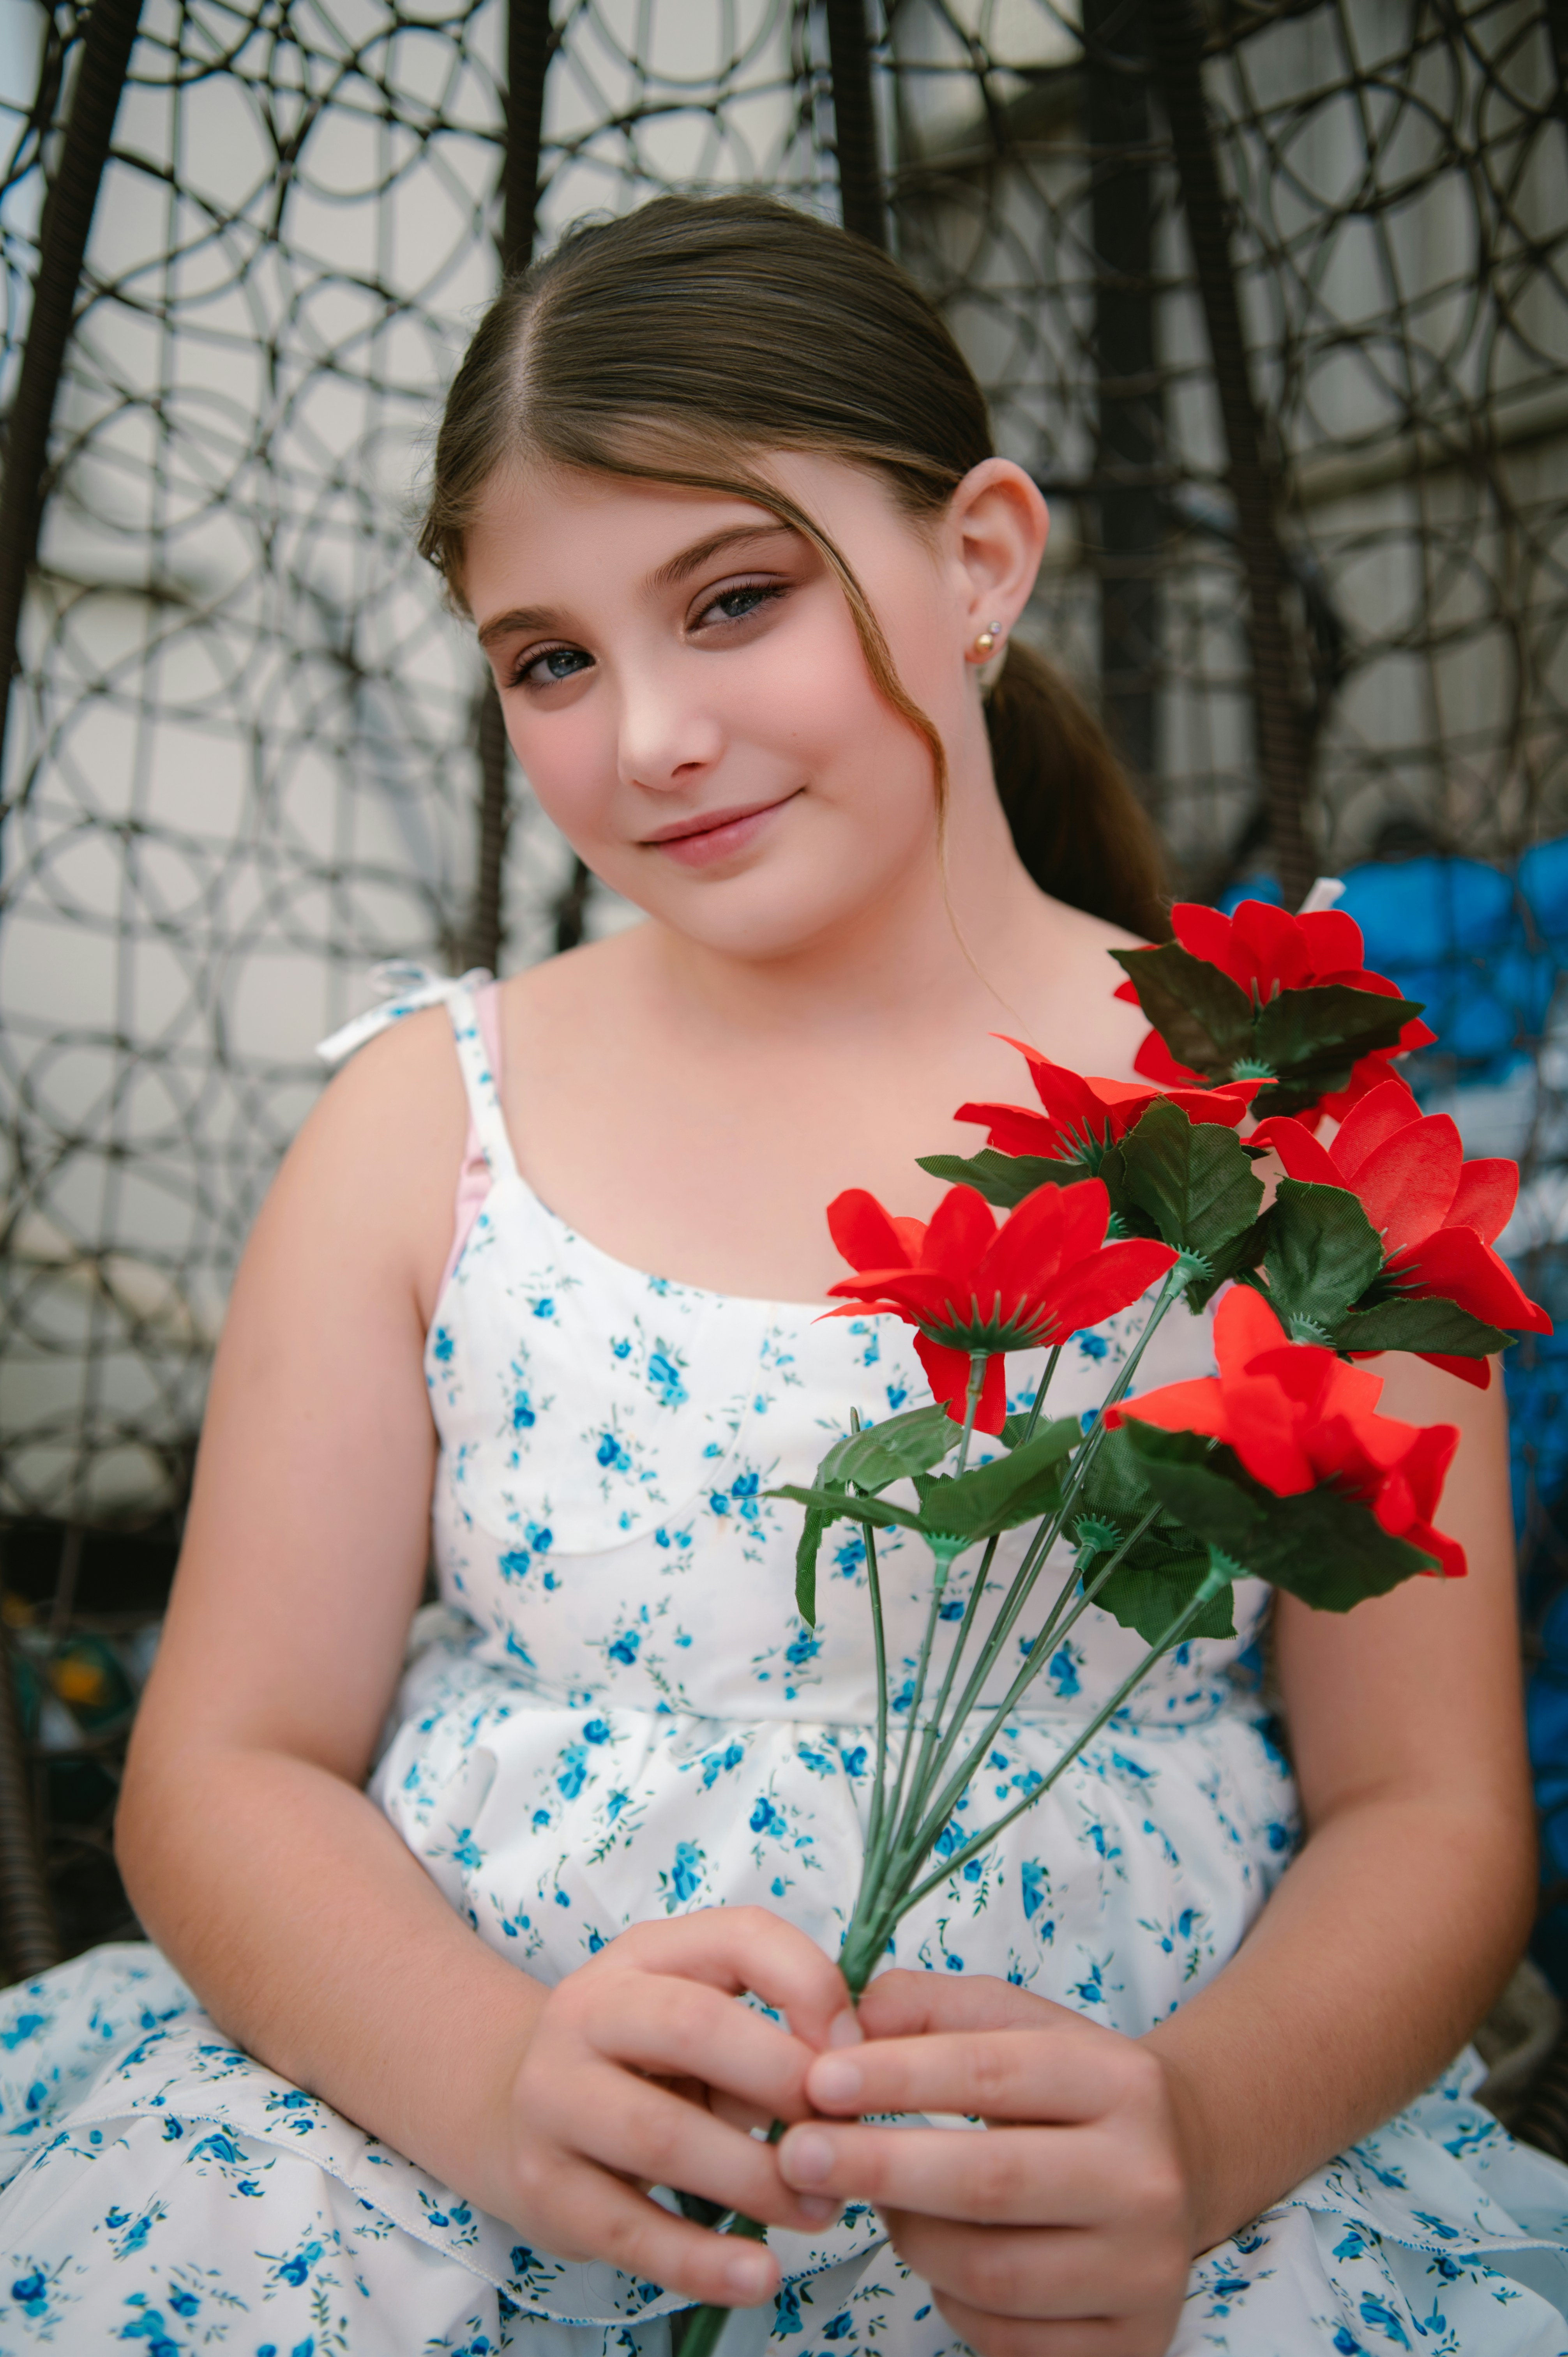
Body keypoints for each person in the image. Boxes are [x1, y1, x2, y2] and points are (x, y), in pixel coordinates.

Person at [0, 192, 1563, 2357]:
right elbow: (226, 1764)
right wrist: (479, 2073)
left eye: (732, 601)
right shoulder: (425, 1127)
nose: (643, 735)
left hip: (1121, 2240)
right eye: (549, 657)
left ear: (979, 561)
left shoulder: (1289, 1140)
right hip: (423, 2181)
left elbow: (1429, 1811)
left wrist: (1191, 2142)